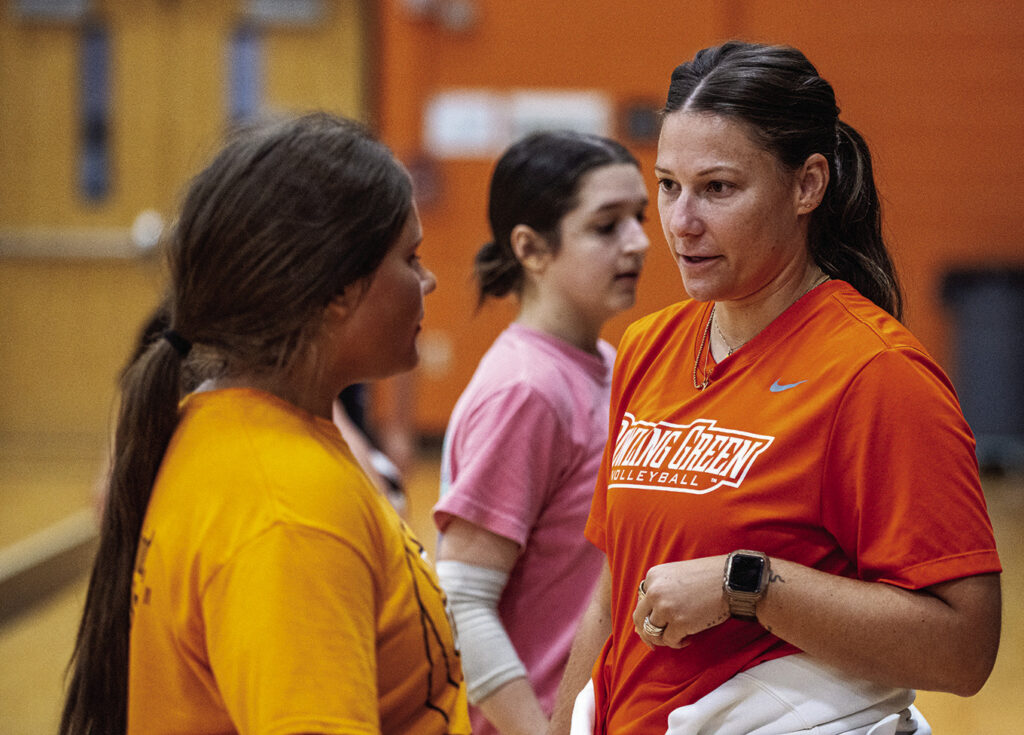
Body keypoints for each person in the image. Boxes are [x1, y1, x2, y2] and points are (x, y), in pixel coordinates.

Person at [548, 41, 1002, 735]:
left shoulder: (877, 373)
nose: (681, 221)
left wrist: (749, 584)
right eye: (668, 186)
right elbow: (613, 596)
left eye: (718, 188)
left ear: (807, 185)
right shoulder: (647, 346)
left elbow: (964, 648)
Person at [61, 112, 470, 735]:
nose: (428, 280)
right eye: (409, 259)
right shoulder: (288, 506)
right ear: (338, 289)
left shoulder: (227, 428)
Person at [433, 130, 650, 735]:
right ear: (530, 248)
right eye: (606, 226)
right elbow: (463, 599)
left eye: (638, 217)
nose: (639, 241)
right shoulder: (526, 389)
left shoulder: (609, 364)